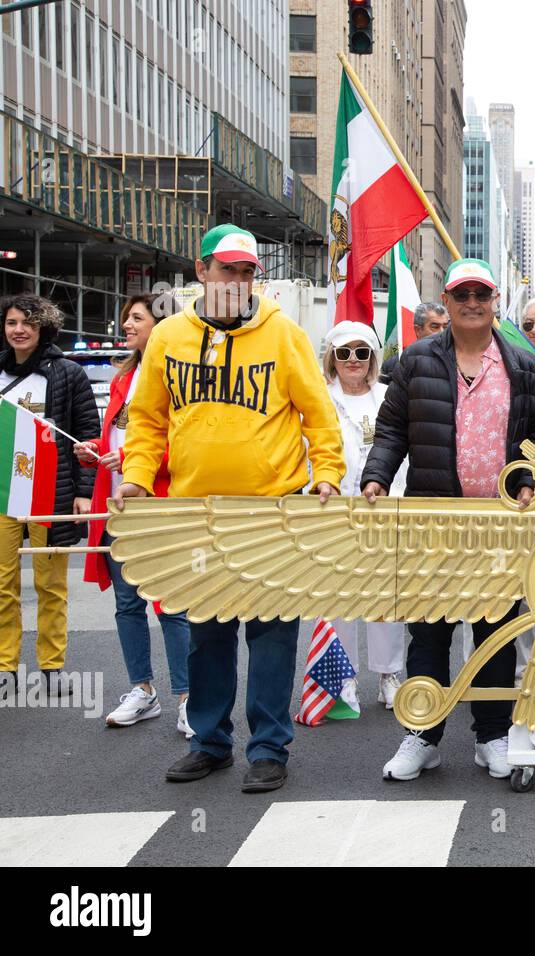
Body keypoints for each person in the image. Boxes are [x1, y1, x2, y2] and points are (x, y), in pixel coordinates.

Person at [116, 222, 345, 794]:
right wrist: (139, 479)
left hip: (273, 512)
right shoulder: (168, 337)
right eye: (228, 269)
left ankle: (268, 748)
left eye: (247, 272)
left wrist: (330, 478)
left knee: (271, 634)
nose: (238, 280)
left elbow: (319, 416)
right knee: (207, 631)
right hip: (199, 513)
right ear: (202, 272)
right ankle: (210, 742)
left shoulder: (284, 335)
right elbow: (146, 420)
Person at [362, 258, 535, 783]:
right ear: (447, 302)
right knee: (428, 632)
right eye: (462, 294)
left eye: (481, 293)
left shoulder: (524, 366)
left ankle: (493, 735)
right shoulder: (415, 362)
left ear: (494, 301)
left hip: (500, 528)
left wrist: (529, 481)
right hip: (436, 524)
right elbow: (390, 432)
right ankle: (422, 735)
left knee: (494, 633)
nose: (472, 302)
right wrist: (376, 478)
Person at [76, 293, 192, 734]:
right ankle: (142, 690)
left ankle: (187, 696)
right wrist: (95, 454)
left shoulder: (179, 376)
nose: (126, 325)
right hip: (118, 504)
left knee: (171, 606)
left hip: (160, 506)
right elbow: (118, 438)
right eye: (126, 318)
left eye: (136, 318)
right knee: (127, 604)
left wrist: (131, 461)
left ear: (160, 326)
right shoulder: (123, 379)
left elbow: (184, 443)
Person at [0, 294, 100, 700]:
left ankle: (52, 664)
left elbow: (87, 435)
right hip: (3, 492)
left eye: (27, 322)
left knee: (50, 583)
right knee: (2, 584)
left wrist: (83, 492)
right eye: (11, 322)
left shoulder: (67, 373)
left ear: (43, 327)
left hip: (50, 493)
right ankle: (5, 665)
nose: (18, 329)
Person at [321, 321, 409, 713]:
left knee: (385, 597)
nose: (353, 360)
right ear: (332, 358)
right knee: (338, 595)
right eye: (344, 353)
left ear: (373, 357)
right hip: (334, 512)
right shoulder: (320, 399)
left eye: (361, 352)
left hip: (384, 510)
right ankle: (341, 677)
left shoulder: (391, 397)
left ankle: (389, 674)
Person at [380, 302, 448, 384]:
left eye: (445, 327)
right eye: (435, 327)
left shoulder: (457, 360)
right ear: (418, 330)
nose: (442, 332)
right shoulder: (394, 364)